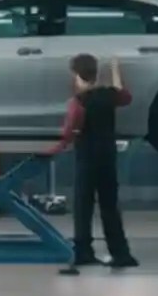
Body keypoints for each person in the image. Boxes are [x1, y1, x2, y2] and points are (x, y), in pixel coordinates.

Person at [47, 53, 139, 269]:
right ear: (96, 75)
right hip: (107, 157)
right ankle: (121, 254)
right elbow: (125, 96)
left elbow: (68, 134)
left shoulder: (78, 102)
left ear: (77, 76)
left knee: (83, 206)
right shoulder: (109, 95)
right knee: (110, 206)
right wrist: (115, 69)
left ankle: (83, 252)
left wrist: (51, 151)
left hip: (86, 158)